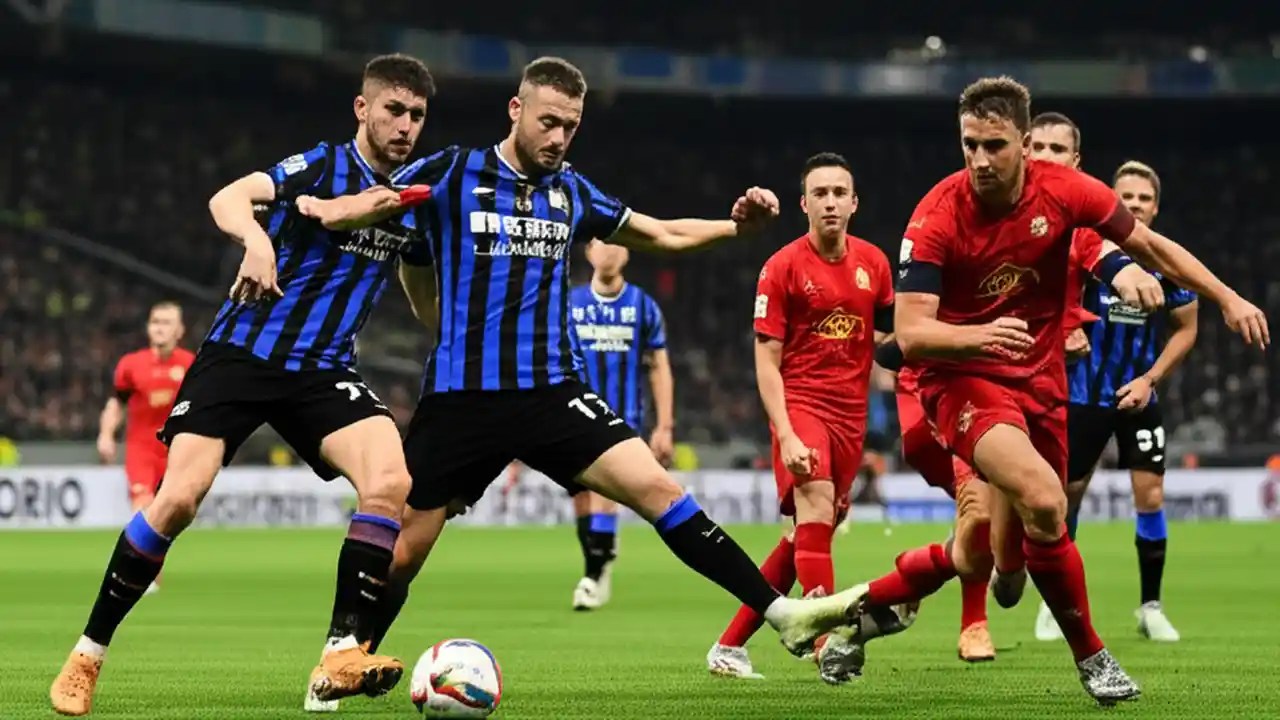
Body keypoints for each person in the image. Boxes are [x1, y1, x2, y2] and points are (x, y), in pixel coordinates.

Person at [295, 57, 869, 710]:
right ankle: (341, 666)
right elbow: (388, 212)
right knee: (403, 556)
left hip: (553, 394)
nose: (559, 138)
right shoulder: (454, 171)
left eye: (570, 126)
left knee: (659, 488)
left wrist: (737, 227)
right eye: (548, 123)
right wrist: (323, 211)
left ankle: (778, 613)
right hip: (462, 403)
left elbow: (661, 233)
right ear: (516, 111)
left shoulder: (573, 192)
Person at [51, 54, 439, 717]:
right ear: (363, 108)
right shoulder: (317, 165)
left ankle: (340, 652)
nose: (405, 125)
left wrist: (449, 322)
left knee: (392, 483)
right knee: (179, 498)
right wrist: (257, 241)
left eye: (417, 115)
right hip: (242, 353)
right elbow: (226, 197)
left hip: (324, 371)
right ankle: (87, 654)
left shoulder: (410, 206)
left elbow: (422, 294)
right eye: (394, 110)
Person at [885, 76, 1266, 703]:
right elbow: (911, 333)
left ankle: (868, 608)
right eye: (969, 144)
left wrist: (1225, 296)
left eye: (995, 146)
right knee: (1045, 499)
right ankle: (1094, 658)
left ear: (1024, 144)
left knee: (1001, 573)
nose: (979, 160)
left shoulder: (1063, 193)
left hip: (1040, 386)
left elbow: (1143, 248)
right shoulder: (935, 214)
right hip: (964, 379)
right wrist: (980, 336)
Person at [705, 152, 893, 684]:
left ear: (854, 203)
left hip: (851, 417)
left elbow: (888, 340)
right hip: (802, 406)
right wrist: (785, 432)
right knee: (813, 512)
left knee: (805, 537)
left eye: (840, 192)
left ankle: (729, 645)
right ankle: (827, 644)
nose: (830, 201)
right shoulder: (782, 267)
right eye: (820, 193)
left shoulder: (875, 265)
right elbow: (766, 360)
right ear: (803, 203)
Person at [1036, 160, 1197, 644]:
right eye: (1125, 197)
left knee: (1150, 497)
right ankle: (1054, 606)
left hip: (1139, 394)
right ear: (1112, 200)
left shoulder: (1166, 262)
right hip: (1082, 394)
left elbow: (1187, 328)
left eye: (1144, 199)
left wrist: (1150, 378)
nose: (1134, 205)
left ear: (1156, 206)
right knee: (1067, 498)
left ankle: (1151, 607)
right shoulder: (1089, 253)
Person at [567, 238, 674, 611]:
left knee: (605, 492)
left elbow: (659, 366)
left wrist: (665, 426)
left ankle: (593, 574)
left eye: (617, 245)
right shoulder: (570, 304)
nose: (609, 251)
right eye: (601, 243)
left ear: (627, 254)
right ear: (588, 252)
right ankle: (598, 561)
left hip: (622, 419)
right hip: (570, 415)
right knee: (581, 497)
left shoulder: (643, 306)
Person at [96, 301, 195, 596]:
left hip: (177, 451)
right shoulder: (131, 365)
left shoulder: (191, 364)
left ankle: (148, 571)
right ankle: (145, 577)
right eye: (155, 322)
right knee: (143, 509)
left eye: (166, 322)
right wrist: (105, 434)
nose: (159, 327)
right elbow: (117, 403)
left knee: (170, 515)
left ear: (179, 330)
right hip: (141, 451)